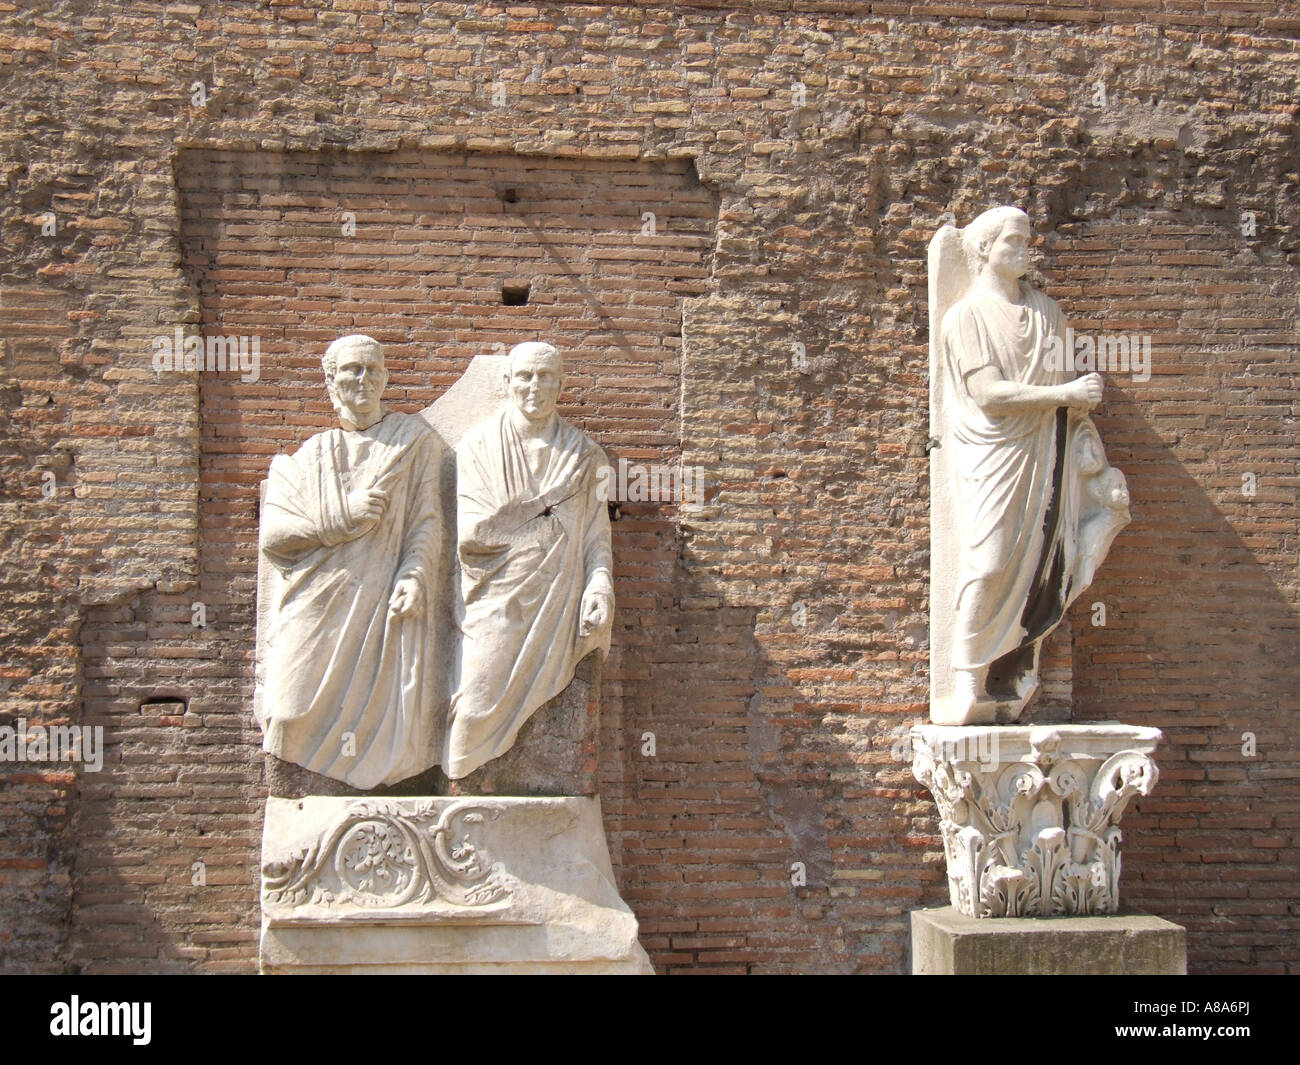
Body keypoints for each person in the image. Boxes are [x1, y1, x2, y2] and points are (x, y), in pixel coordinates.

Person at [939, 206, 1124, 721]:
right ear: (983, 249)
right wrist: (1065, 391)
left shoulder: (1048, 312)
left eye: (1027, 241)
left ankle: (1019, 671)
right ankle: (965, 684)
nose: (1024, 251)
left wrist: (1080, 405)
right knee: (989, 561)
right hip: (991, 453)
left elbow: (1067, 399)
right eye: (1012, 241)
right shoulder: (966, 317)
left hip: (1045, 450)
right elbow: (989, 394)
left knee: (1043, 563)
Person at [257, 335, 442, 788]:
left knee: (385, 730)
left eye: (373, 369)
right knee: (286, 712)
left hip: (382, 603)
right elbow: (275, 538)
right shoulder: (305, 460)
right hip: (316, 603)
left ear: (384, 377)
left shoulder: (413, 444)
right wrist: (340, 520)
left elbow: (426, 521)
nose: (364, 378)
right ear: (331, 380)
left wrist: (415, 575)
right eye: (351, 370)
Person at [445, 341, 613, 779]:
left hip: (560, 604)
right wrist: (541, 515)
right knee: (473, 708)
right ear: (507, 383)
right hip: (496, 601)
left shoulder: (585, 457)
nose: (534, 386)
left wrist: (599, 584)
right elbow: (473, 534)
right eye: (524, 377)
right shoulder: (478, 448)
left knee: (564, 716)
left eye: (545, 377)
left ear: (560, 383)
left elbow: (596, 534)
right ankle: (460, 809)